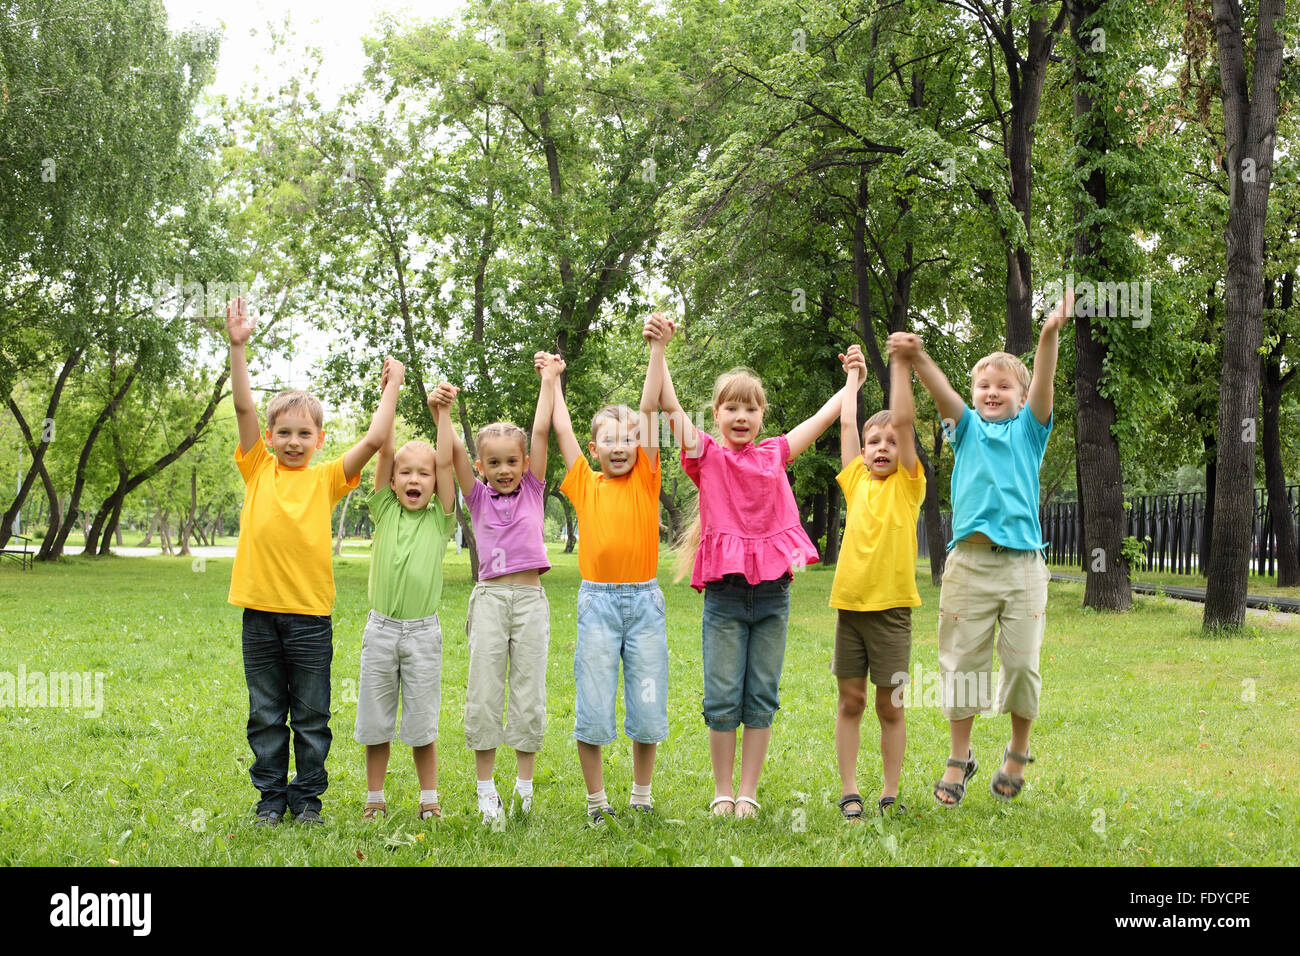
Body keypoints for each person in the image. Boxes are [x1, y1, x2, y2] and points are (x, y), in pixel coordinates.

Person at [654, 315, 859, 817]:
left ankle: (748, 791)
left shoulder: (775, 455)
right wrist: (660, 349)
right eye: (731, 408)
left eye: (750, 408)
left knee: (761, 696)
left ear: (762, 416)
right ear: (717, 415)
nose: (740, 416)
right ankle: (722, 791)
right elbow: (668, 405)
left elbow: (827, 416)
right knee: (723, 697)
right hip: (724, 598)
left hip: (773, 596)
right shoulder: (705, 456)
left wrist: (853, 380)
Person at [224, 296, 399, 826]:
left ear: (319, 440)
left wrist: (391, 385)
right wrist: (238, 348)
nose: (294, 441)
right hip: (260, 616)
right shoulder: (258, 470)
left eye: (305, 434)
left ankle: (308, 801)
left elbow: (374, 439)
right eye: (285, 433)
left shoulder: (326, 479)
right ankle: (270, 799)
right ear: (271, 439)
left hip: (309, 620)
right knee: (265, 714)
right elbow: (243, 410)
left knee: (312, 717)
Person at [897, 291, 1072, 806]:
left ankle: (1017, 751)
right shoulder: (963, 430)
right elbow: (942, 394)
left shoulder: (1031, 433)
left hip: (1022, 568)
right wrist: (918, 357)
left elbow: (1044, 381)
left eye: (1003, 386)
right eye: (983, 385)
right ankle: (960, 756)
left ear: (1020, 397)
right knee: (962, 664)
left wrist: (1049, 333)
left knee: (1021, 664)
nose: (992, 392)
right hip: (968, 566)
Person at [546, 329, 667, 826]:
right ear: (595, 449)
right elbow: (561, 431)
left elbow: (652, 409)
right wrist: (553, 381)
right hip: (597, 605)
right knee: (594, 703)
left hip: (644, 606)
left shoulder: (645, 476)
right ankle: (597, 802)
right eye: (610, 442)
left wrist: (657, 351)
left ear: (640, 446)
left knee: (647, 701)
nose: (620, 448)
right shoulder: (584, 483)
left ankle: (642, 794)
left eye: (629, 440)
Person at [451, 359, 558, 824]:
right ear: (480, 467)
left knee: (528, 694)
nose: (504, 469)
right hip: (491, 601)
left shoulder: (534, 489)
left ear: (526, 464)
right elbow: (453, 452)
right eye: (493, 462)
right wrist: (444, 412)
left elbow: (540, 430)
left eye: (512, 461)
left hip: (530, 603)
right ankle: (485, 789)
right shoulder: (475, 496)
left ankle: (524, 787)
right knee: (485, 693)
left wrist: (548, 381)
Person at [354, 371, 459, 823]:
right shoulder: (383, 509)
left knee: (421, 724)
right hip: (381, 631)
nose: (415, 478)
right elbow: (381, 447)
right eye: (405, 472)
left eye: (424, 473)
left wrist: (444, 415)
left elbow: (449, 462)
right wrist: (389, 392)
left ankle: (428, 798)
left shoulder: (441, 519)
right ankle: (374, 798)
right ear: (393, 481)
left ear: (434, 483)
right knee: (376, 721)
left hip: (422, 633)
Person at [829, 343, 925, 819]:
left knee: (890, 707)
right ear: (864, 452)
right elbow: (848, 424)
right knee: (851, 700)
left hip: (892, 614)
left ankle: (889, 791)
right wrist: (854, 378)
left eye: (891, 441)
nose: (883, 448)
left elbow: (904, 423)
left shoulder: (909, 485)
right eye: (875, 443)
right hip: (851, 611)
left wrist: (900, 366)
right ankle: (850, 789)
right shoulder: (856, 481)